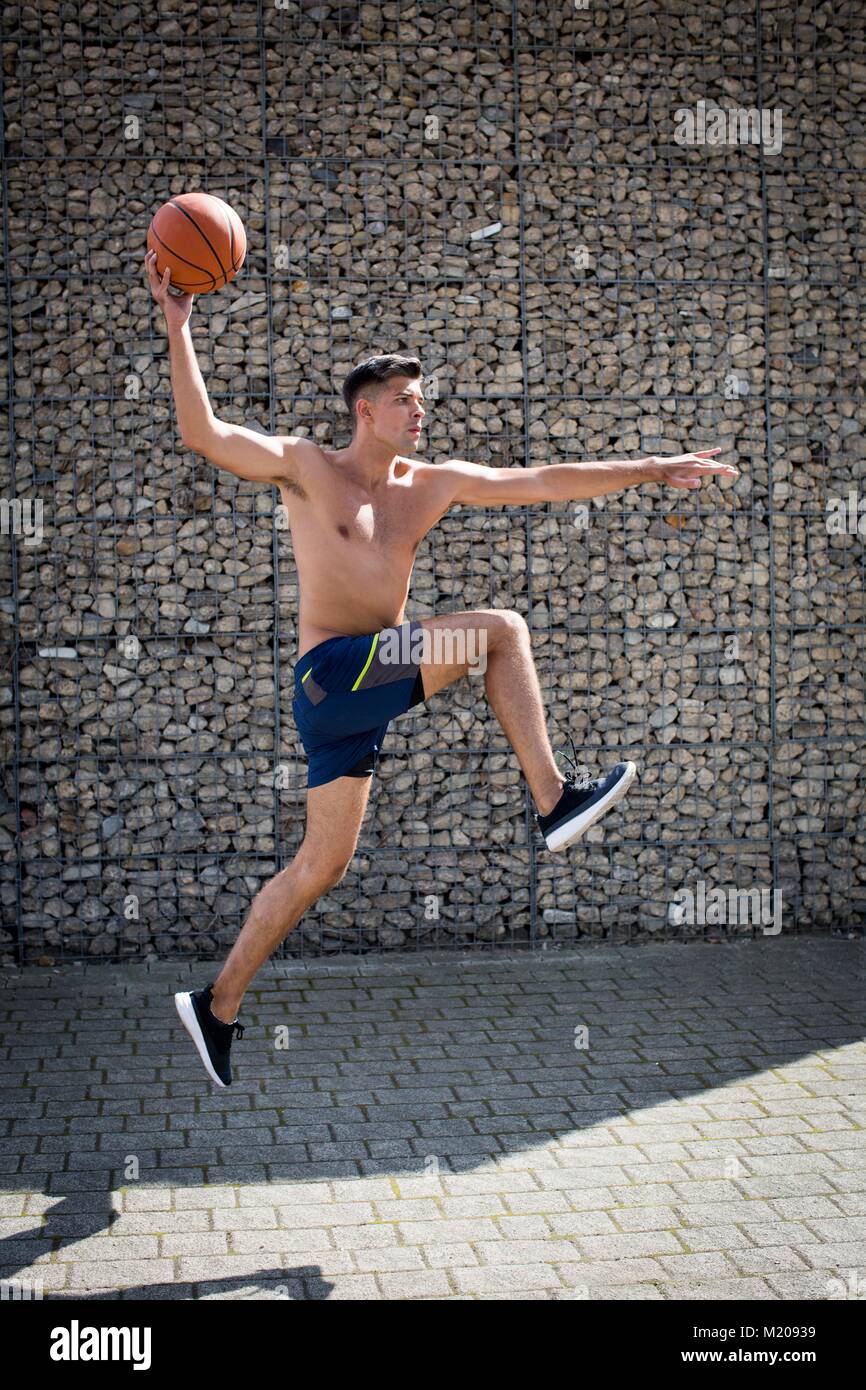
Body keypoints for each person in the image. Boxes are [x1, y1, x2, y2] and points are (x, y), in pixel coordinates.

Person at [145, 251, 739, 1087]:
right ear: (365, 409)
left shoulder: (432, 485)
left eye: (423, 399)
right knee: (499, 629)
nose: (419, 411)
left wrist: (652, 467)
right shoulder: (307, 468)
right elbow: (202, 434)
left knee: (321, 867)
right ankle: (553, 800)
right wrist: (179, 328)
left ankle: (216, 1006)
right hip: (331, 673)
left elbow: (542, 480)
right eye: (404, 401)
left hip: (362, 694)